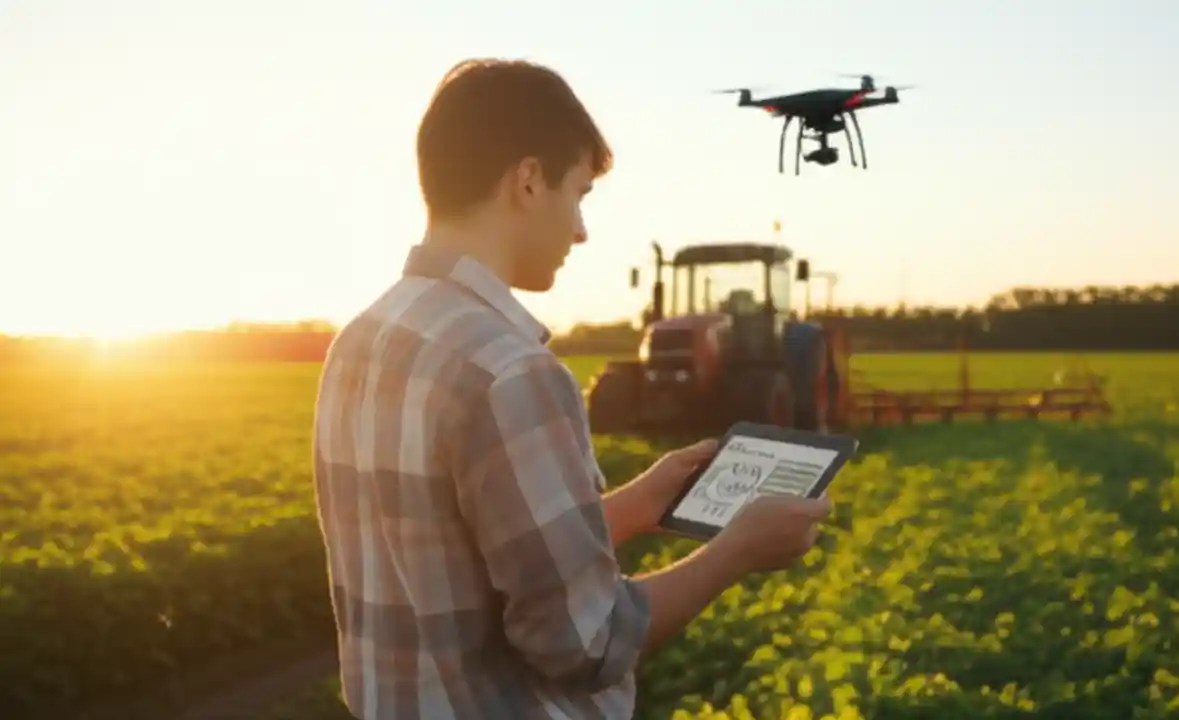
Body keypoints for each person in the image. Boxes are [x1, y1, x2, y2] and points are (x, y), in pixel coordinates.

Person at [311, 58, 832, 719]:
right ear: (528, 181)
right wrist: (736, 551)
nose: (581, 230)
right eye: (579, 194)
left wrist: (639, 503)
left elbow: (471, 562)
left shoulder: (360, 341)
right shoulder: (510, 370)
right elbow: (588, 642)